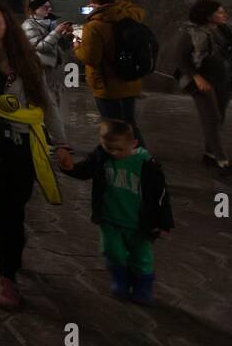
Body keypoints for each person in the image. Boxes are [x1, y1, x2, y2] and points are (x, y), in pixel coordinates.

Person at [0, 3, 71, 311]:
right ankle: (11, 238)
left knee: (13, 207)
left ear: (7, 27)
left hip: (19, 139)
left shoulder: (25, 59)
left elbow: (45, 100)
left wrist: (62, 144)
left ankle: (7, 276)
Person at [56, 119, 173, 304]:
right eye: (108, 147)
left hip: (138, 224)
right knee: (112, 251)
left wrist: (164, 222)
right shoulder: (102, 155)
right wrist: (68, 167)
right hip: (109, 219)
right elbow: (86, 169)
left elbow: (161, 196)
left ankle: (143, 288)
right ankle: (120, 281)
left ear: (133, 143)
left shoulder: (147, 165)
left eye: (119, 149)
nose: (114, 153)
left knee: (142, 257)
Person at [174, 0, 232, 175]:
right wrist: (197, 77)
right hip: (202, 82)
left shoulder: (225, 30)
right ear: (208, 16)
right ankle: (222, 161)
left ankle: (210, 154)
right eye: (220, 12)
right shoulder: (192, 33)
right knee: (212, 118)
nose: (224, 15)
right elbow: (181, 59)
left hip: (224, 80)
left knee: (219, 117)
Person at [74, 0, 151, 143]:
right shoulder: (130, 16)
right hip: (130, 79)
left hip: (107, 84)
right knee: (130, 123)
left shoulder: (94, 26)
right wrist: (108, 4)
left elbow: (91, 58)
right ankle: (142, 158)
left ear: (92, 1)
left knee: (113, 127)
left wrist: (77, 47)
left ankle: (119, 159)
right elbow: (126, 6)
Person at [22, 0, 75, 114]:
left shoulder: (51, 23)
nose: (49, 10)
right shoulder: (29, 25)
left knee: (57, 105)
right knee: (46, 106)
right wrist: (56, 33)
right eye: (45, 7)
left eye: (50, 7)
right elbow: (41, 47)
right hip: (41, 71)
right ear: (34, 9)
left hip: (55, 73)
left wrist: (66, 37)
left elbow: (59, 48)